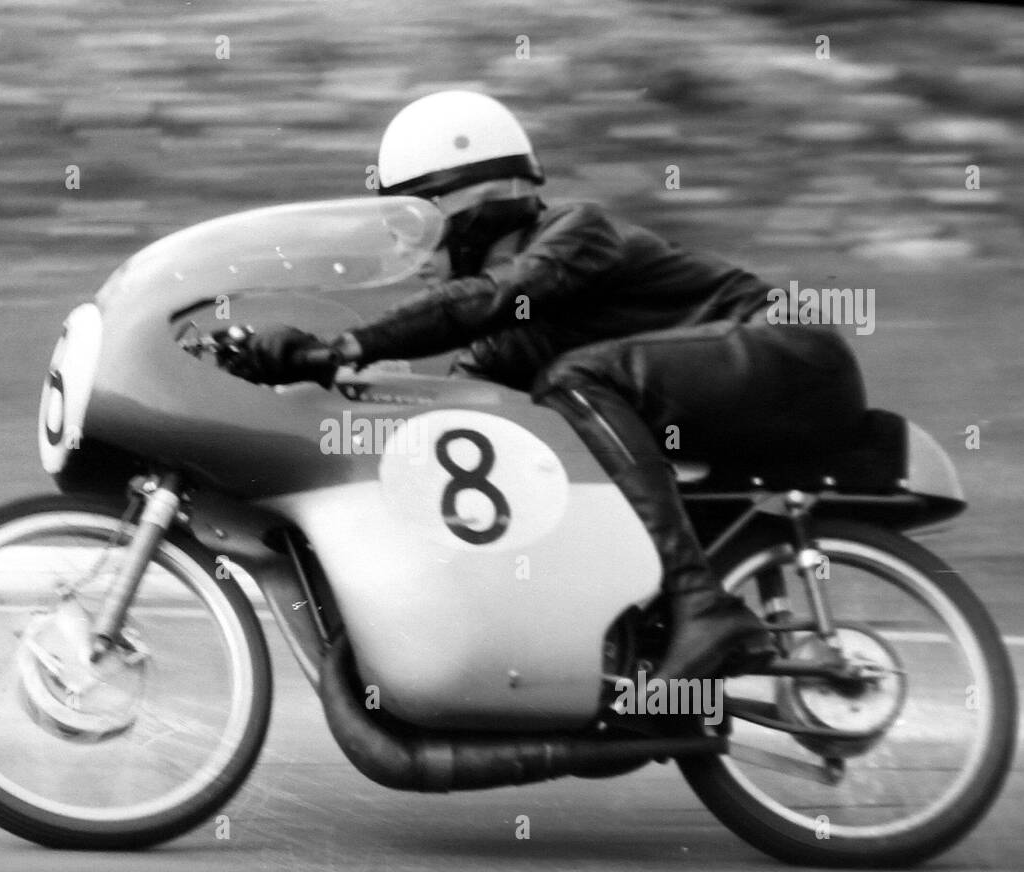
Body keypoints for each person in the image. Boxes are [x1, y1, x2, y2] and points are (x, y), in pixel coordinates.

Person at [230, 90, 869, 684]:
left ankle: (701, 606)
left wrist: (341, 347)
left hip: (794, 355)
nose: (410, 252)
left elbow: (494, 295)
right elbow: (447, 421)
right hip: (726, 393)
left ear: (470, 207)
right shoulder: (509, 340)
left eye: (414, 223)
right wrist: (306, 386)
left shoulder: (577, 234)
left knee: (579, 376)